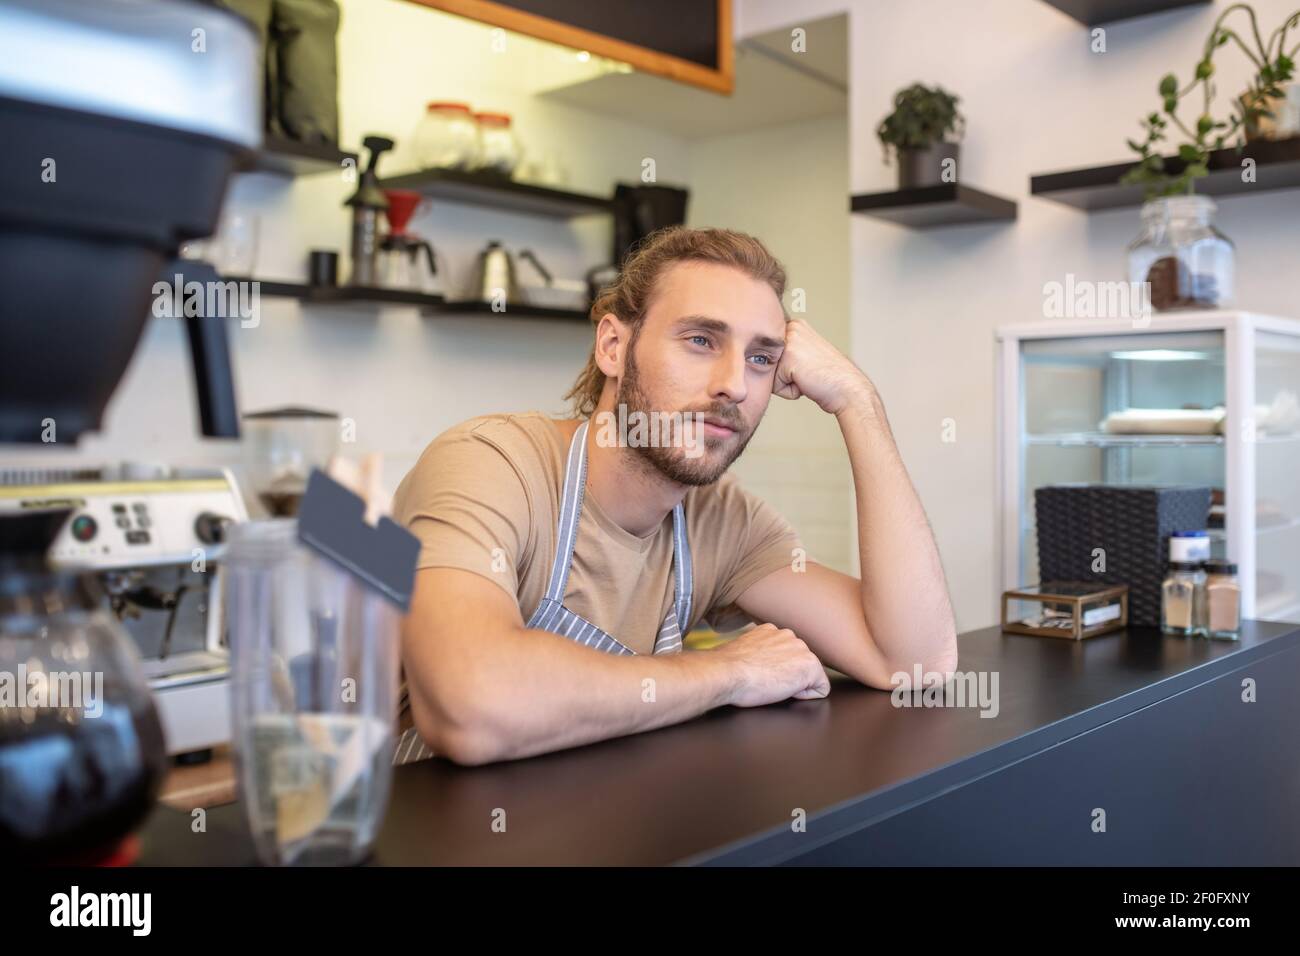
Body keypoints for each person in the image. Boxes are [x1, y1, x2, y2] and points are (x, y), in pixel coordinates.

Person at [392, 226, 958, 765]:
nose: (734, 383)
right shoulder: (492, 463)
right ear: (613, 346)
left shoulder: (722, 521)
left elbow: (914, 662)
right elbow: (469, 703)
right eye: (700, 340)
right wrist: (727, 671)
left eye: (761, 357)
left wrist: (858, 403)